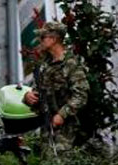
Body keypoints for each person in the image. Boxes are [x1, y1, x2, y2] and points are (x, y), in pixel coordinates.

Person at [24, 21, 89, 151]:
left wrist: (62, 114)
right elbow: (39, 91)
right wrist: (28, 96)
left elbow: (81, 95)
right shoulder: (46, 65)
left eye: (43, 37)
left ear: (54, 39)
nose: (40, 41)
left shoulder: (70, 63)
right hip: (47, 127)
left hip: (67, 130)